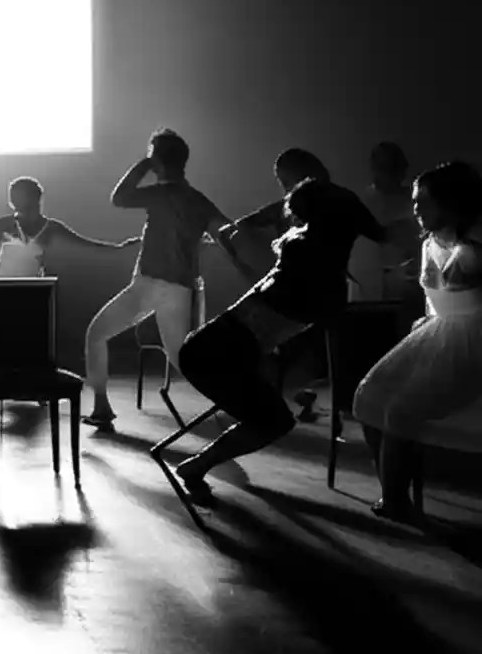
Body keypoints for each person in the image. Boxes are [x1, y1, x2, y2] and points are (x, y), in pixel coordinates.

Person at [171, 149, 387, 502]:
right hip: (215, 355)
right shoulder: (312, 265)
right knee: (274, 422)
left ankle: (196, 465)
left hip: (218, 350)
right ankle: (196, 465)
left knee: (273, 416)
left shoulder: (304, 252)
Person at [83, 129, 240, 431]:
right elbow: (226, 232)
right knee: (182, 360)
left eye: (151, 152)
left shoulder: (160, 194)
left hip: (152, 286)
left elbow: (118, 198)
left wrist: (143, 165)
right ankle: (234, 404)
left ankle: (101, 408)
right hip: (176, 290)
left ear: (157, 159)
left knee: (97, 335)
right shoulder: (197, 200)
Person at [0, 176, 140, 383]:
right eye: (12, 196)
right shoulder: (7, 223)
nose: (13, 200)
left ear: (35, 197)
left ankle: (14, 365)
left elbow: (88, 244)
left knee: (6, 325)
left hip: (27, 291)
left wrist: (119, 247)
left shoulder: (51, 228)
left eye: (17, 195)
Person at [353, 161, 482, 520]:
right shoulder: (429, 244)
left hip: (472, 341)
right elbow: (433, 298)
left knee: (401, 409)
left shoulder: (476, 245)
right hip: (435, 333)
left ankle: (396, 500)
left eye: (423, 201)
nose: (415, 209)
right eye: (414, 201)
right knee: (368, 396)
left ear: (452, 203)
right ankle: (393, 491)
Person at [351, 142, 420, 302]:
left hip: (411, 282)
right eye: (383, 167)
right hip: (372, 286)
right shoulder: (361, 203)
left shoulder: (415, 200)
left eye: (393, 168)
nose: (388, 173)